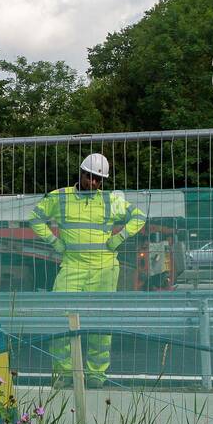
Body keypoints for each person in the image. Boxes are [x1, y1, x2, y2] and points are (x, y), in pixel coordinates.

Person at [29, 153, 146, 386]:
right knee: (60, 318)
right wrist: (54, 242)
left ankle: (96, 374)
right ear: (81, 173)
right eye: (89, 176)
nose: (93, 182)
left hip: (104, 269)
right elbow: (35, 218)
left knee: (100, 323)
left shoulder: (110, 200)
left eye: (98, 179)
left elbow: (139, 216)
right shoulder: (60, 197)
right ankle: (63, 373)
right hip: (72, 266)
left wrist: (119, 237)